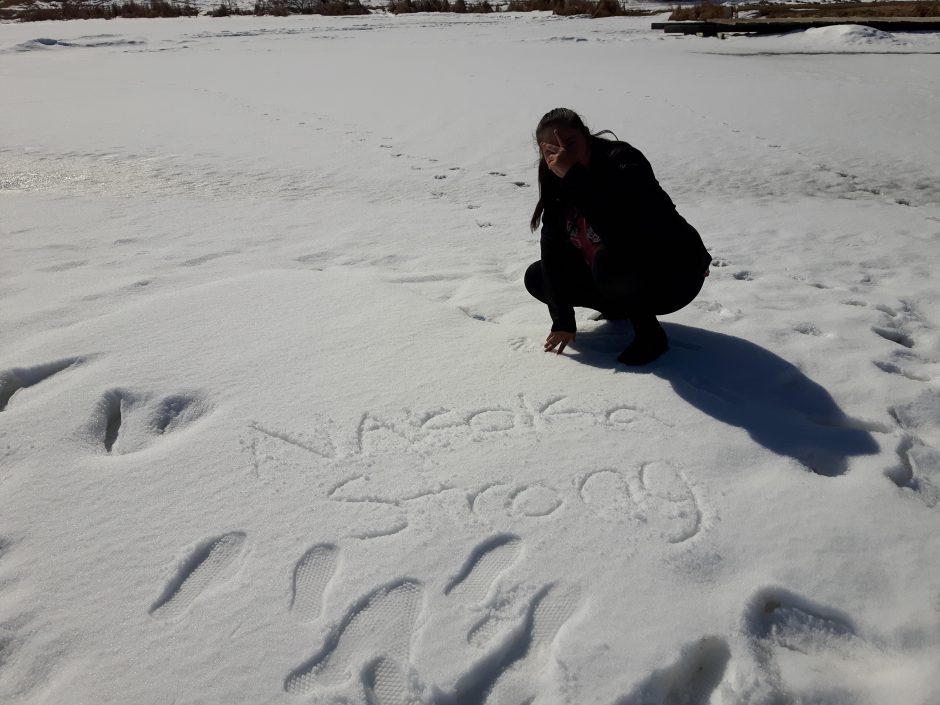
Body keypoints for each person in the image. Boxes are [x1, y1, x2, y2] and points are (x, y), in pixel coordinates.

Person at [524, 108, 712, 366]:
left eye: (570, 143)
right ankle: (619, 307)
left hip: (674, 275)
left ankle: (651, 335)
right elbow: (552, 248)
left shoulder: (624, 161)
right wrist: (563, 320)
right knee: (538, 276)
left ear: (586, 135)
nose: (563, 154)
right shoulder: (557, 176)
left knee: (610, 260)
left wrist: (574, 177)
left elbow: (626, 231)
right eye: (551, 150)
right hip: (621, 275)